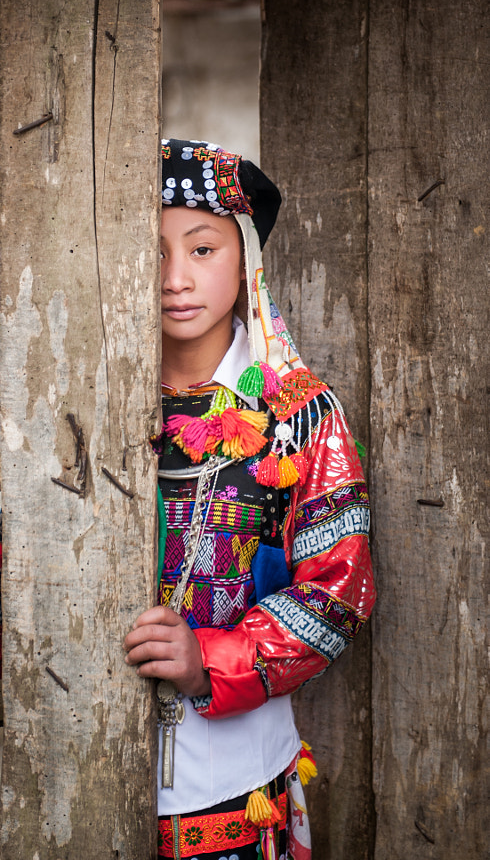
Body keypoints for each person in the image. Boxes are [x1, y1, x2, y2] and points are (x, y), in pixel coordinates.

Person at [123, 139, 375, 860]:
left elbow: (339, 595)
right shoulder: (72, 402)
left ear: (247, 261)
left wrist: (211, 660)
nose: (175, 278)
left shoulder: (300, 416)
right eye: (153, 251)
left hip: (233, 790)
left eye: (202, 250)